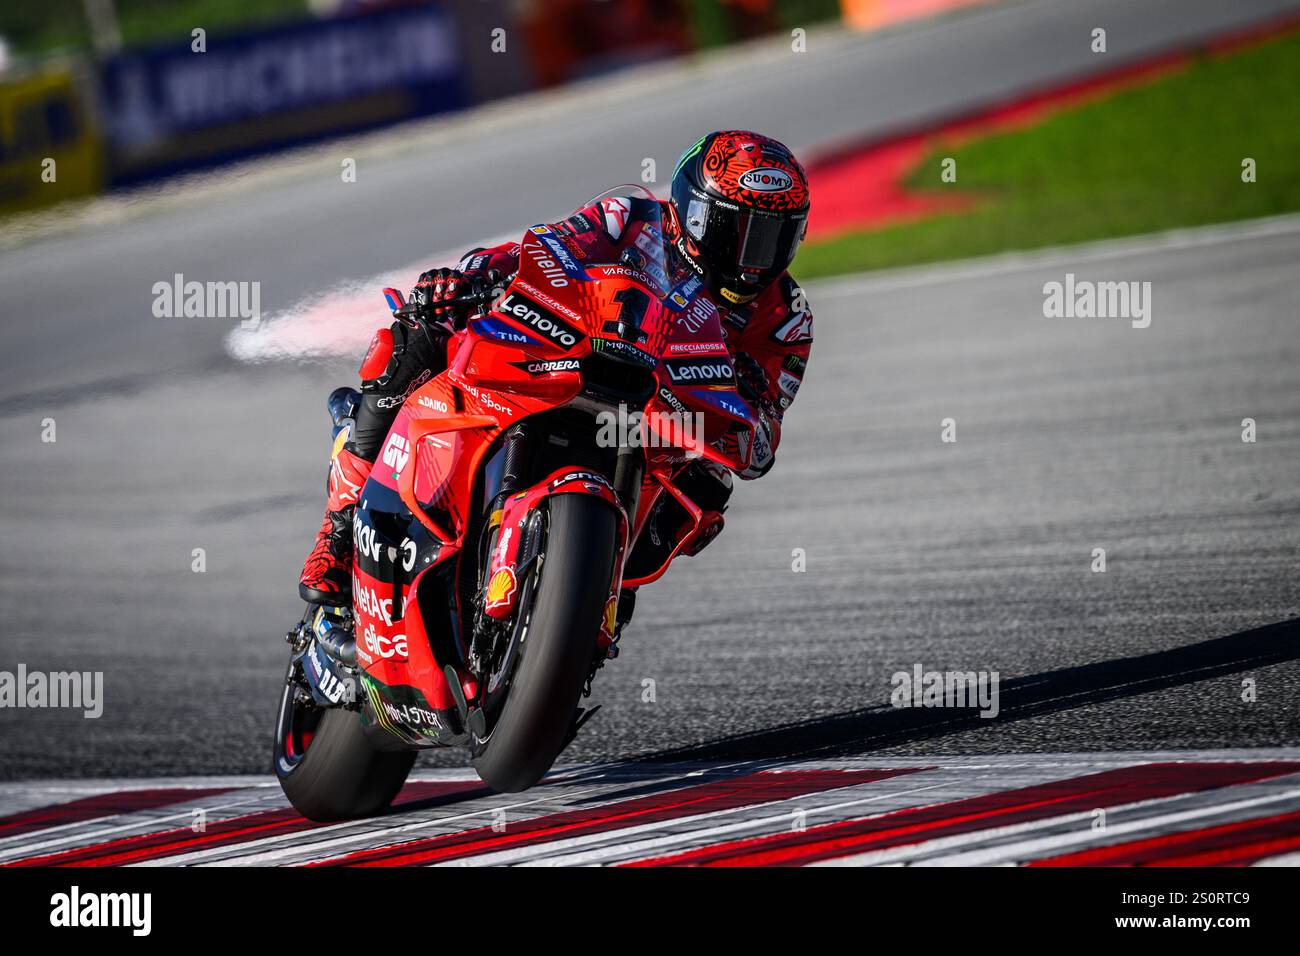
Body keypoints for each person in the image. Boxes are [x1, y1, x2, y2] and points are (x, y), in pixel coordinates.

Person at [299, 130, 814, 607]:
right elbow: (546, 249)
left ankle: (596, 595)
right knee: (416, 333)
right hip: (570, 354)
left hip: (663, 423)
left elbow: (763, 444)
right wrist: (475, 276)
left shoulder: (786, 318)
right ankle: (339, 530)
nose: (753, 259)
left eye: (772, 237)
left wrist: (740, 402)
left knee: (711, 483)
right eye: (738, 232)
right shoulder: (628, 217)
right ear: (694, 213)